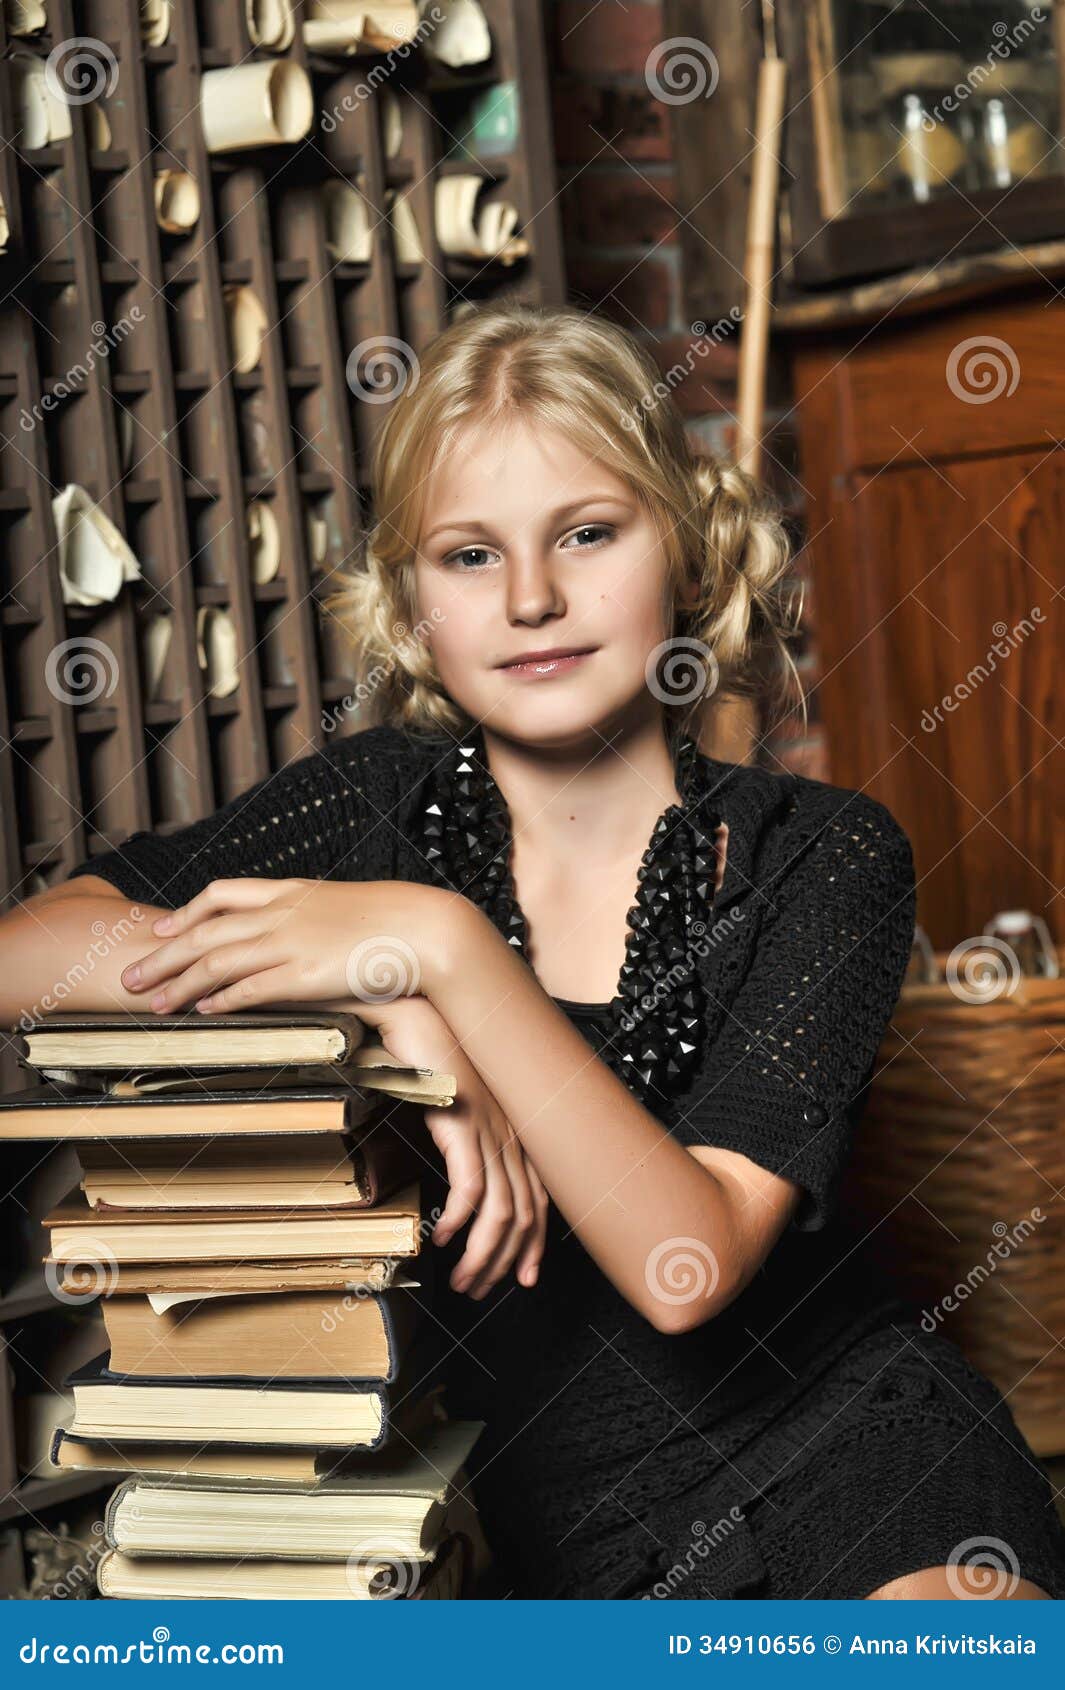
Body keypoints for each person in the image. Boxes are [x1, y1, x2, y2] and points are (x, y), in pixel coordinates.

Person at [4, 305, 1064, 1602]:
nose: (528, 598)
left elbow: (690, 1264)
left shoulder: (820, 853)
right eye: (467, 554)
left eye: (586, 532)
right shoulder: (372, 809)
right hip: (559, 1531)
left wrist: (435, 950)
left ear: (685, 543)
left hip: (856, 1455)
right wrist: (379, 998)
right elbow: (29, 953)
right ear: (408, 603)